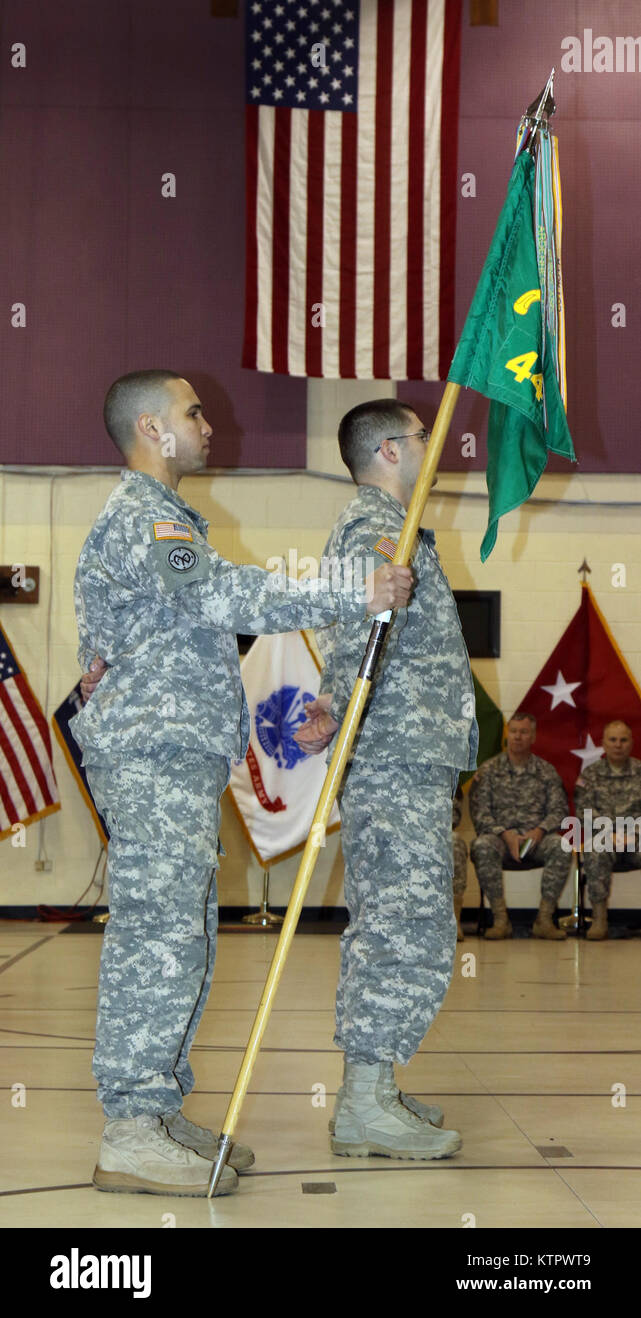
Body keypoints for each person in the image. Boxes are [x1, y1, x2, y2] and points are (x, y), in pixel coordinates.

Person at [72, 369, 411, 1198]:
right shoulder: (143, 516)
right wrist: (348, 586)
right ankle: (128, 1129)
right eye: (192, 412)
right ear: (152, 428)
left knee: (185, 934)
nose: (207, 423)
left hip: (173, 754)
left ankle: (156, 1110)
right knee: (156, 939)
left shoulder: (166, 517)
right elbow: (222, 592)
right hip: (150, 756)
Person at [295, 398, 478, 1162]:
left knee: (403, 920)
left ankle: (375, 1089)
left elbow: (359, 634)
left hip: (404, 755)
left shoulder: (394, 527)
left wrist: (336, 704)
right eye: (423, 435)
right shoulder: (376, 526)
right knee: (403, 926)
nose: (435, 445)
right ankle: (364, 1102)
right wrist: (339, 705)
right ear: (390, 451)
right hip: (394, 759)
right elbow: (362, 626)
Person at [469, 713, 570, 940]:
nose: (518, 737)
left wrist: (539, 831)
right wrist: (505, 834)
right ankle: (500, 919)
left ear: (533, 736)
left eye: (524, 732)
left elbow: (559, 811)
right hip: (501, 841)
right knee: (482, 845)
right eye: (513, 731)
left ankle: (544, 919)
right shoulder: (489, 770)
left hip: (537, 840)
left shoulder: (546, 771)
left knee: (562, 846)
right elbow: (479, 812)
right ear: (508, 735)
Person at [574, 720, 641, 940]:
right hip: (604, 839)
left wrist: (633, 833)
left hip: (637, 840)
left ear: (631, 743)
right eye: (612, 740)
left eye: (623, 740)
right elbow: (583, 811)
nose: (618, 745)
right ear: (603, 743)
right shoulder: (590, 775)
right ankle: (599, 918)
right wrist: (609, 834)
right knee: (594, 850)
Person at [452, 786, 469, 942]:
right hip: (400, 834)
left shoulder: (446, 776)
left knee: (455, 841)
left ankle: (453, 920)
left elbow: (454, 818)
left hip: (435, 832)